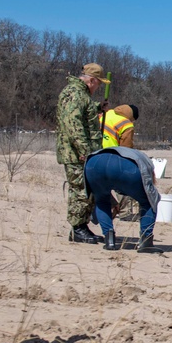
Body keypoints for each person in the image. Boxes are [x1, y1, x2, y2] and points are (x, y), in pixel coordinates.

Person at [56, 63, 109, 244]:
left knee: (86, 190)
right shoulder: (74, 94)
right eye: (98, 84)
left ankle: (82, 226)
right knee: (80, 190)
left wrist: (97, 108)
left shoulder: (82, 96)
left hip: (83, 153)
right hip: (76, 154)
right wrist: (84, 151)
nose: (98, 87)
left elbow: (83, 112)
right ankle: (78, 228)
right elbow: (73, 126)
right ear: (92, 80)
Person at [84, 146, 162, 253]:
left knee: (101, 201)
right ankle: (146, 242)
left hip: (93, 162)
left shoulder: (132, 153)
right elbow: (149, 187)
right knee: (149, 201)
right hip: (126, 167)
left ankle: (109, 240)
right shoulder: (146, 163)